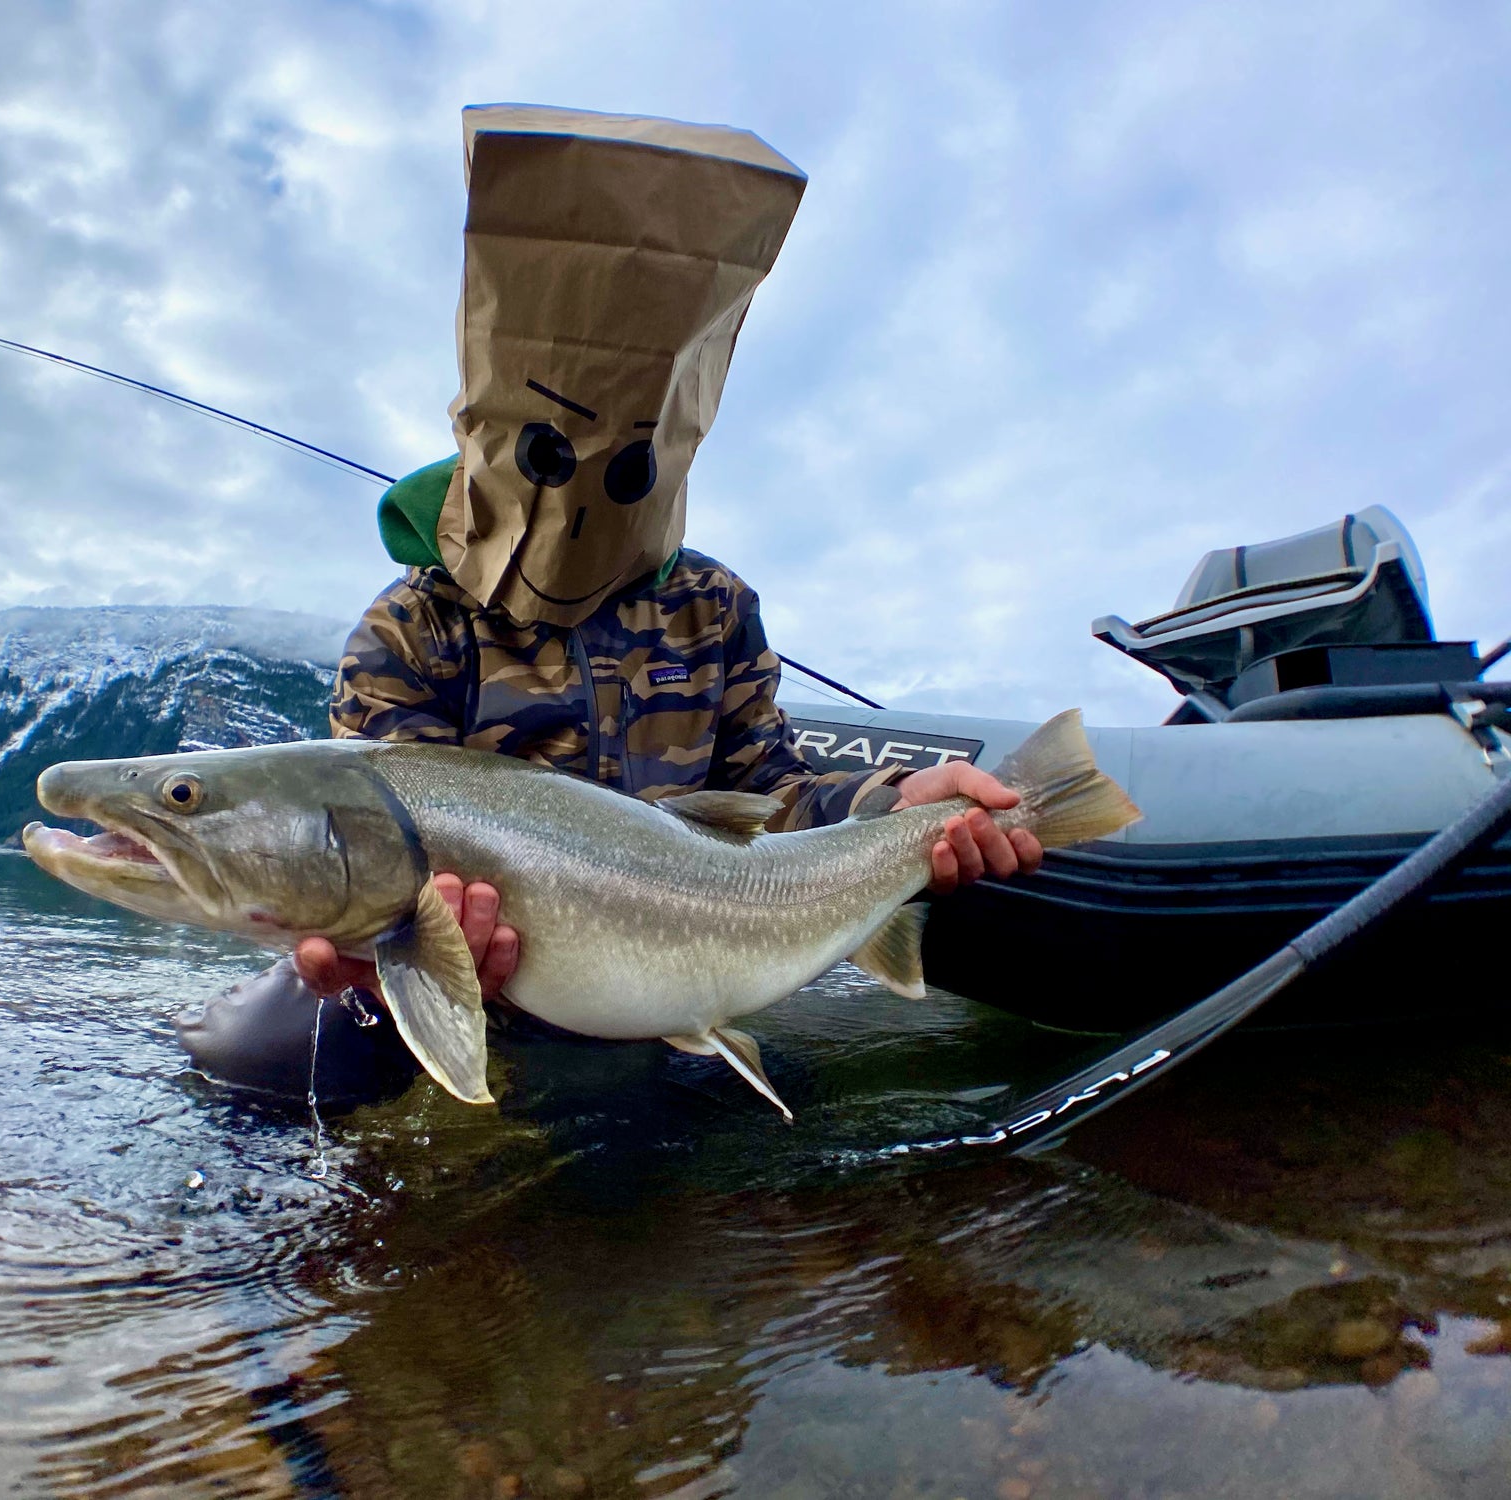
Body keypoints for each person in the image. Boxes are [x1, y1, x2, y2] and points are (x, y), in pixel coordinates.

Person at [177, 105, 1041, 1102]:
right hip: (471, 963)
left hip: (663, 960)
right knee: (251, 1067)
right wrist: (390, 955)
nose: (586, 490)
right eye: (551, 453)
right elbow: (375, 843)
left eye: (629, 465)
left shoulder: (714, 608)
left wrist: (894, 807)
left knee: (670, 1137)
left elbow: (776, 799)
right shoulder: (412, 625)